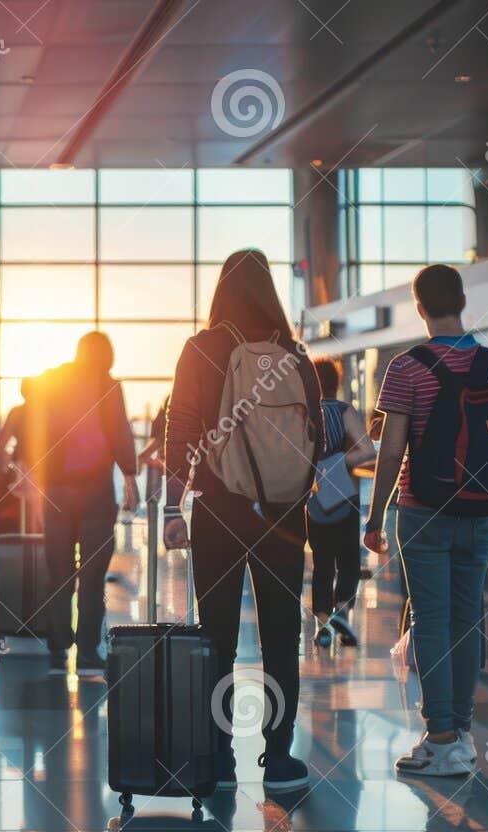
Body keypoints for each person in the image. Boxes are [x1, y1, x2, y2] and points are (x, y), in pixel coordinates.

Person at [163, 249, 322, 792]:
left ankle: (218, 758)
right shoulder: (294, 355)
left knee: (219, 636)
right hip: (283, 517)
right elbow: (317, 439)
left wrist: (171, 508)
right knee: (282, 635)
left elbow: (179, 430)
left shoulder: (202, 349)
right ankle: (277, 759)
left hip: (219, 510)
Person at [364, 264, 488, 777]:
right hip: (482, 510)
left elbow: (391, 452)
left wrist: (375, 514)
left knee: (431, 619)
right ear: (464, 299)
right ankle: (462, 733)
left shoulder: (406, 367)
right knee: (468, 617)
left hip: (424, 510)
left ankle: (440, 736)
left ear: (419, 306)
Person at [35, 333, 139, 677]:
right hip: (95, 491)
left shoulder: (55, 383)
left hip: (57, 492)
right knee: (92, 575)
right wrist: (129, 476)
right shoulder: (109, 386)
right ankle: (88, 653)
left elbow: (39, 433)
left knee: (59, 572)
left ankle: (56, 648)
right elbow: (119, 432)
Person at [307, 359, 376, 648]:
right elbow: (368, 451)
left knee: (321, 562)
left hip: (314, 498)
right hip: (345, 495)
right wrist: (339, 463)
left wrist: (318, 466)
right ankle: (342, 617)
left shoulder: (306, 414)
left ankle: (322, 626)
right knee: (348, 561)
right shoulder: (344, 411)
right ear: (337, 382)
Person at [0, 376, 44, 532]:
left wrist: (0, 468)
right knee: (39, 507)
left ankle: (29, 536)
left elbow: (2, 441)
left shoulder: (17, 412)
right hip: (45, 464)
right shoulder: (47, 411)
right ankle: (39, 538)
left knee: (28, 505)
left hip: (22, 463)